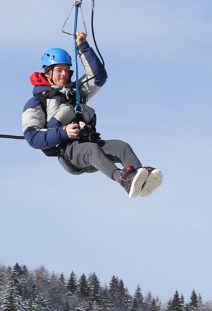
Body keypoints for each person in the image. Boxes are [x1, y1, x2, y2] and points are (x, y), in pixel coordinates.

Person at [21, 32, 162, 198]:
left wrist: (83, 46)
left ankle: (140, 179)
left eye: (66, 70)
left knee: (121, 146)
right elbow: (32, 137)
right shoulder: (37, 102)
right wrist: (64, 132)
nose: (64, 74)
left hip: (89, 145)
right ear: (47, 72)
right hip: (69, 154)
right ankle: (124, 180)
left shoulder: (74, 92)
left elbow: (98, 77)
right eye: (59, 70)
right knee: (92, 149)